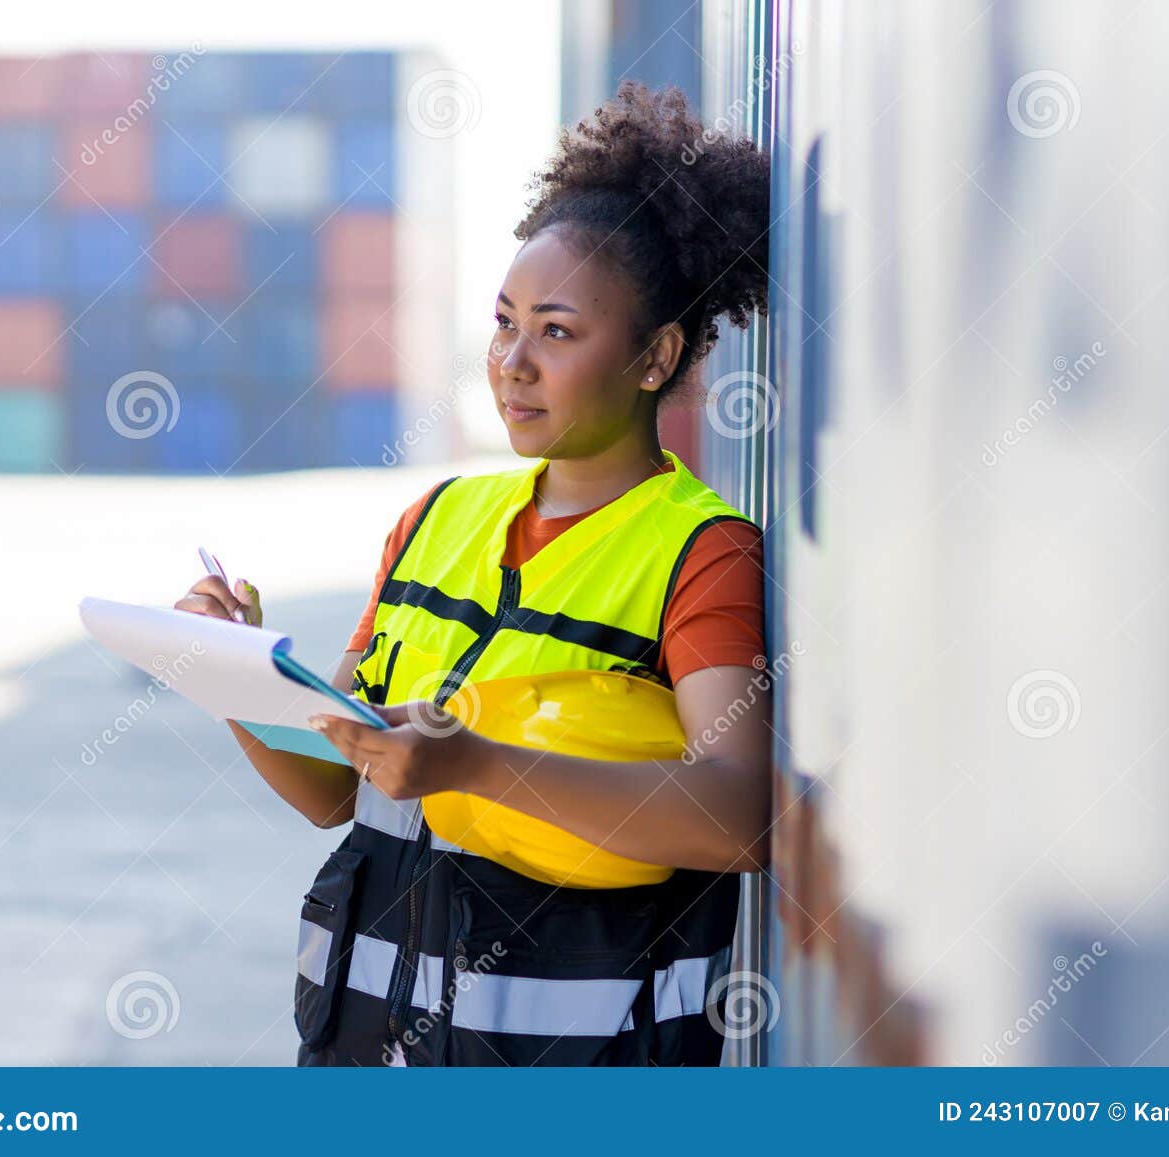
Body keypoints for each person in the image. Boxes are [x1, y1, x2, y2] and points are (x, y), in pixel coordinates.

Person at [175, 80, 773, 1066]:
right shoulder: (434, 519)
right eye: (504, 322)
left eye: (557, 330)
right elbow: (336, 789)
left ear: (655, 355)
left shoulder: (699, 554)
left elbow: (735, 814)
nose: (513, 362)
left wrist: (478, 763)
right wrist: (236, 681)